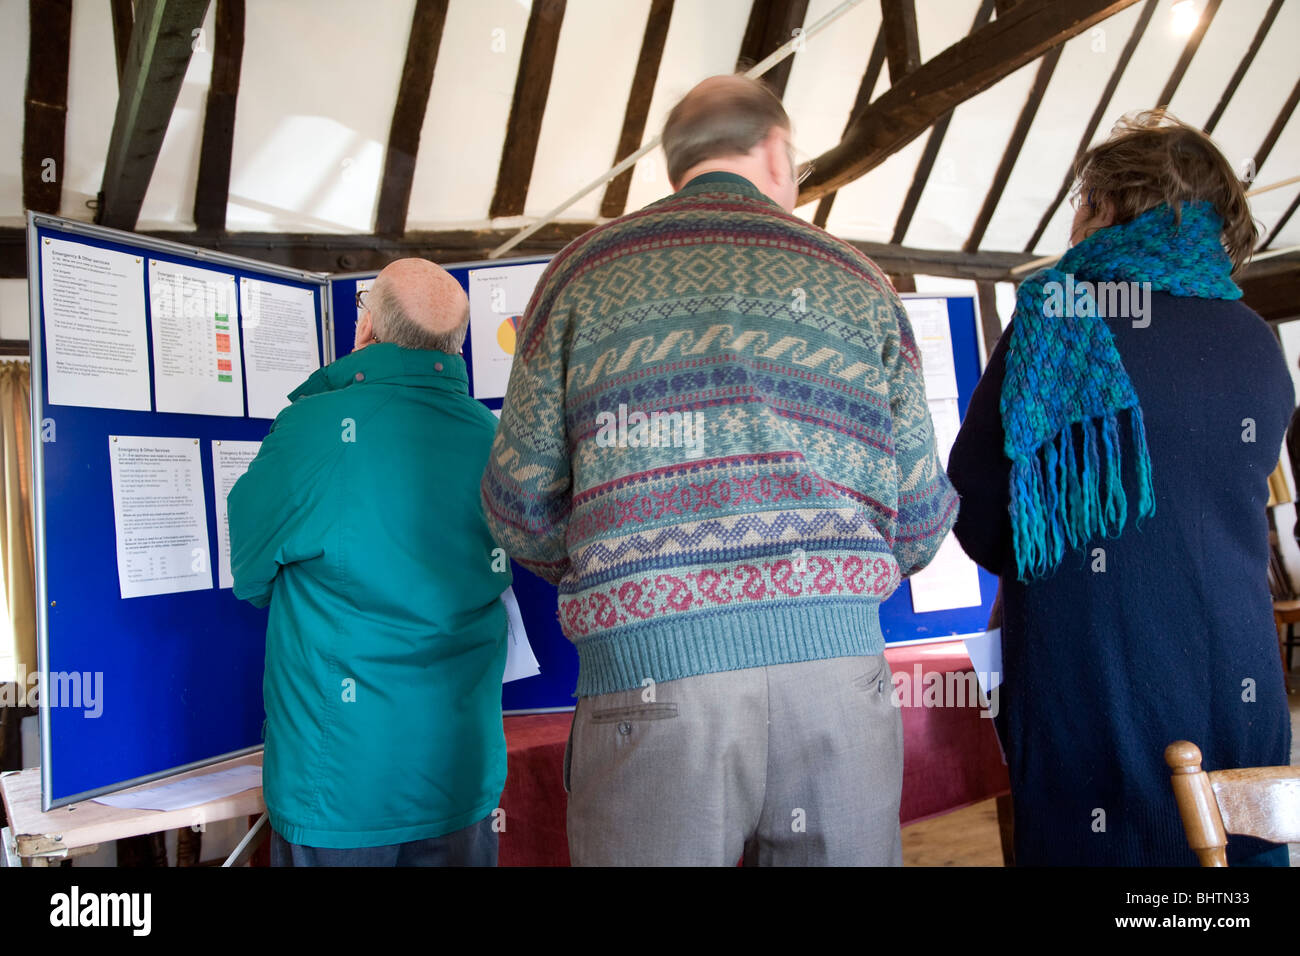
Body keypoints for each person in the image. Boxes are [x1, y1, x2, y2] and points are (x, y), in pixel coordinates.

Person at [481, 74, 957, 866]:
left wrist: (628, 567)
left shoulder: (583, 273)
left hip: (652, 681)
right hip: (836, 680)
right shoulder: (859, 281)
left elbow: (517, 504)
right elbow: (919, 516)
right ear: (773, 151)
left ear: (678, 161)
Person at [947, 110, 1292, 866]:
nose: (1074, 219)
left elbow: (981, 513)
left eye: (1081, 200)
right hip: (1238, 664)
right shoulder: (1254, 337)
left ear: (1109, 205)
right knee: (1234, 856)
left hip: (1099, 673)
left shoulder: (1058, 314)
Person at [228, 258, 511, 866]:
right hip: (461, 778)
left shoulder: (314, 429)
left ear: (366, 330)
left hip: (340, 788)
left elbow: (250, 573)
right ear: (456, 346)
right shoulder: (493, 437)